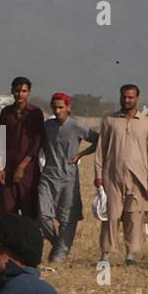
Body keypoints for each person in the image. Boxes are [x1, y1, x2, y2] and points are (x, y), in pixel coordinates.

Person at [95, 83, 148, 267]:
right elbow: (100, 150)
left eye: (130, 97)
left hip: (138, 177)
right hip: (112, 175)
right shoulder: (110, 121)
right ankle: (105, 255)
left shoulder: (147, 123)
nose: (126, 100)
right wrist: (98, 175)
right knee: (111, 216)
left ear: (137, 98)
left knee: (133, 217)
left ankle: (130, 254)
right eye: (124, 97)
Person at [38, 93, 97, 265]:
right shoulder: (46, 126)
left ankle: (60, 254)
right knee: (43, 215)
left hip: (69, 177)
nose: (57, 111)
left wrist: (81, 154)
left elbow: (99, 139)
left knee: (67, 218)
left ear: (68, 108)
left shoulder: (76, 126)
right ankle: (57, 243)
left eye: (61, 107)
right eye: (55, 107)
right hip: (48, 175)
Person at [0, 76, 45, 219]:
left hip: (28, 171)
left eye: (24, 91)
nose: (20, 94)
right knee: (5, 210)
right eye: (17, 91)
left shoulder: (35, 113)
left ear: (29, 93)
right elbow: (1, 138)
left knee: (29, 211)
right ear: (12, 91)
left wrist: (22, 167)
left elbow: (37, 142)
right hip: (7, 168)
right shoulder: (6, 112)